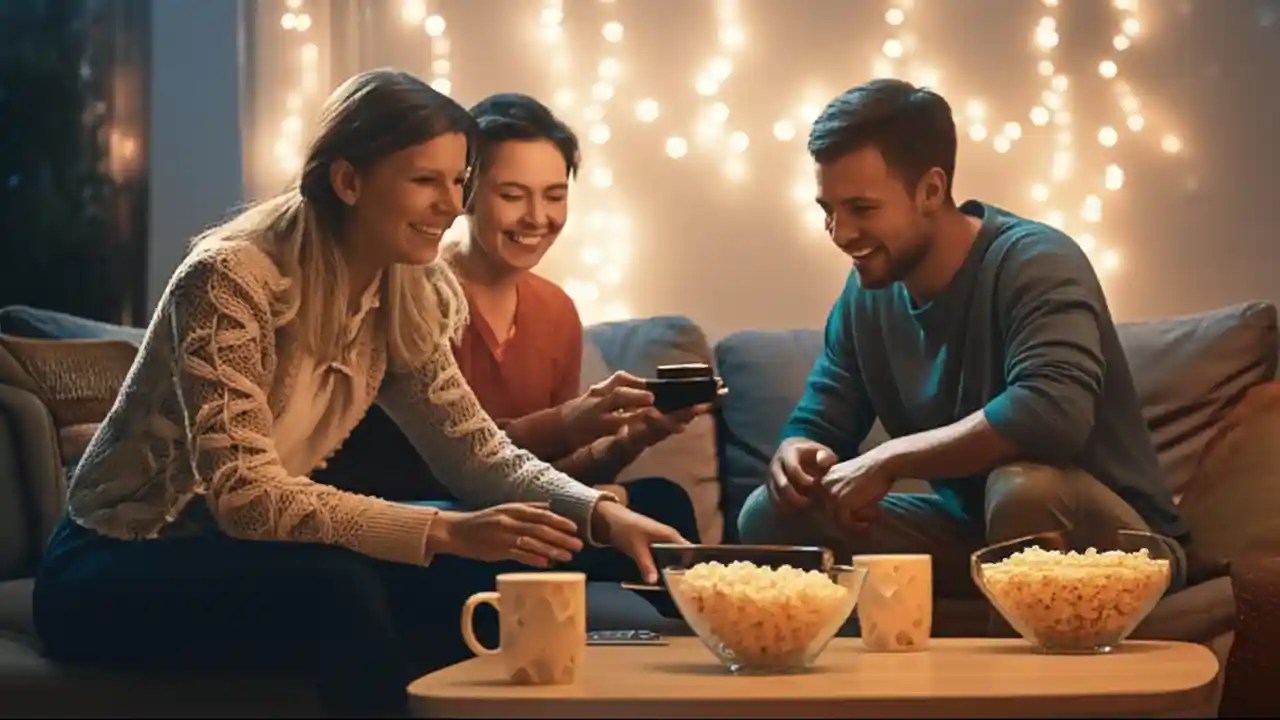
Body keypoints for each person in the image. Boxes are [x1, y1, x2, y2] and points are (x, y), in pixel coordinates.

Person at [32, 69, 682, 718]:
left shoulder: (407, 288)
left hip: (245, 552)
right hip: (117, 560)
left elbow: (477, 455)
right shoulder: (228, 279)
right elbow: (246, 497)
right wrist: (444, 530)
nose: (452, 204)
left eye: (458, 181)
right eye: (425, 181)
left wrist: (600, 515)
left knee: (484, 565)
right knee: (339, 588)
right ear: (348, 181)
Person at [737, 79, 1188, 602]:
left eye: (861, 208)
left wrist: (889, 460)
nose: (840, 233)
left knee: (1023, 490)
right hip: (974, 532)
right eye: (828, 210)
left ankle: (1012, 648)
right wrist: (797, 453)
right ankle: (921, 636)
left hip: (1114, 542)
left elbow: (1052, 412)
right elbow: (821, 421)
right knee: (769, 516)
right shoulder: (866, 297)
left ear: (931, 191)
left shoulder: (1036, 261)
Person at [317, 92, 708, 576]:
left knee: (660, 502)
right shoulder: (411, 294)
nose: (537, 217)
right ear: (466, 193)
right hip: (435, 515)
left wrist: (627, 441)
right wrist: (564, 422)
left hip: (516, 508)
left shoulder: (556, 310)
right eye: (512, 195)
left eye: (554, 195)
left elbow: (547, 479)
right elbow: (440, 462)